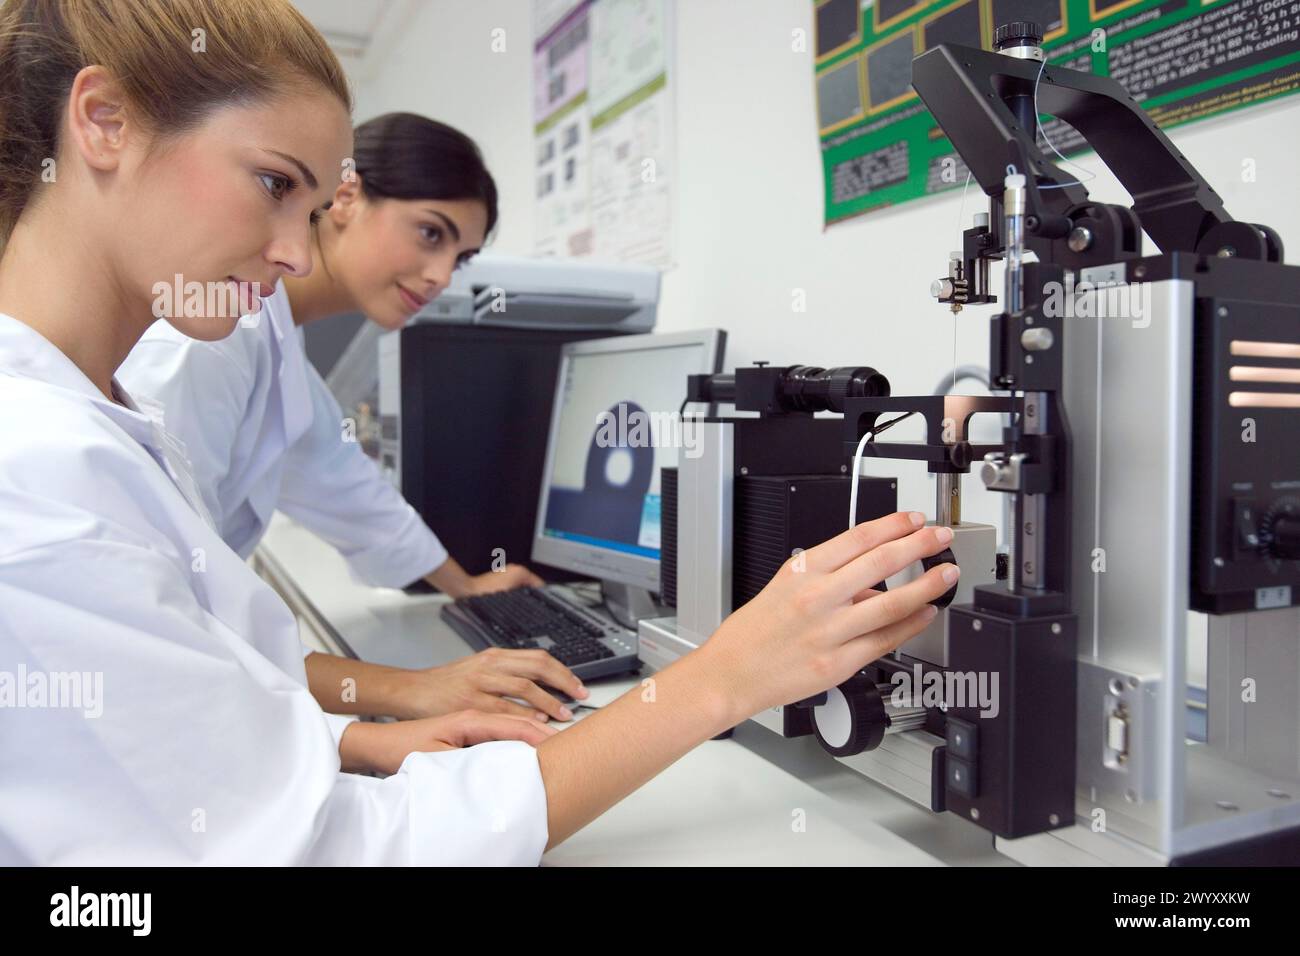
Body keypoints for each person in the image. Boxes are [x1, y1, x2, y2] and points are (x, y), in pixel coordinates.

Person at [0, 0, 958, 864]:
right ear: (104, 120)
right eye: (272, 182)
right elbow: (329, 852)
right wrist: (725, 676)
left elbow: (214, 664)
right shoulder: (40, 478)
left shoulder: (99, 419)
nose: (295, 251)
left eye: (308, 202)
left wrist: (364, 723)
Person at [119, 111, 587, 728]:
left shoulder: (274, 340)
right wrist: (413, 690)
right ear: (346, 196)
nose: (442, 275)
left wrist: (467, 586)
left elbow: (350, 490)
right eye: (430, 233)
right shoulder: (214, 337)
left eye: (462, 257)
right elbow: (163, 604)